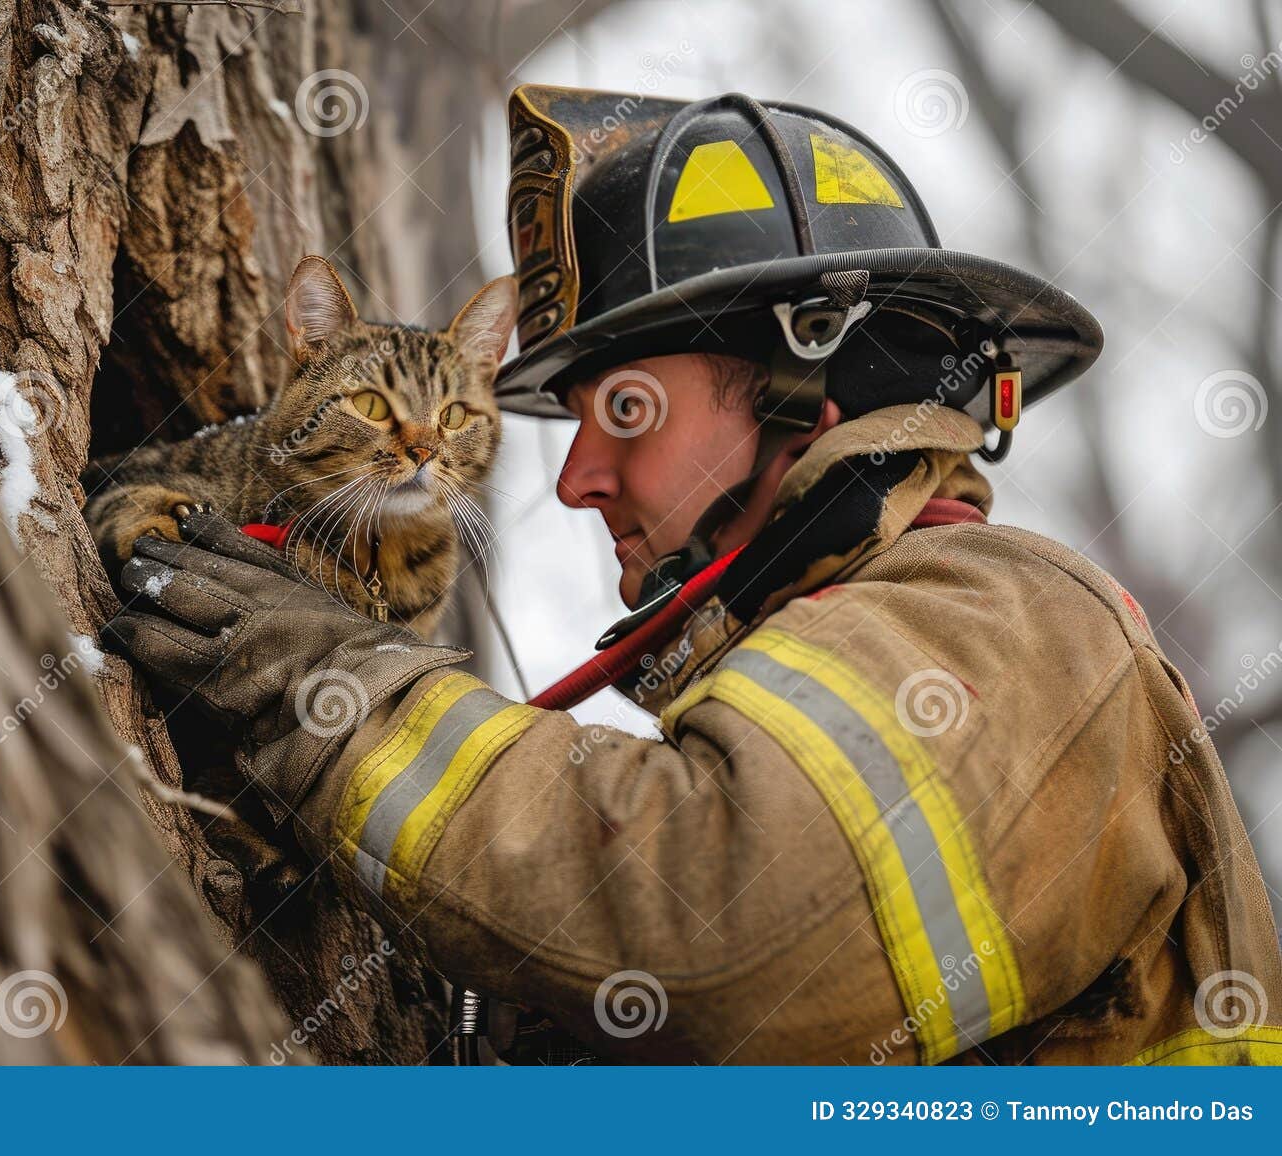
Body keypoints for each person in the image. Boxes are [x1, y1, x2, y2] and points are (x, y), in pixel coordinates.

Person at [103, 86, 1282, 1064]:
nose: (575, 480)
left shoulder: (1018, 620)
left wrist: (330, 688)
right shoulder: (818, 664)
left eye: (624, 409)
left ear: (808, 381)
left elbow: (726, 928)